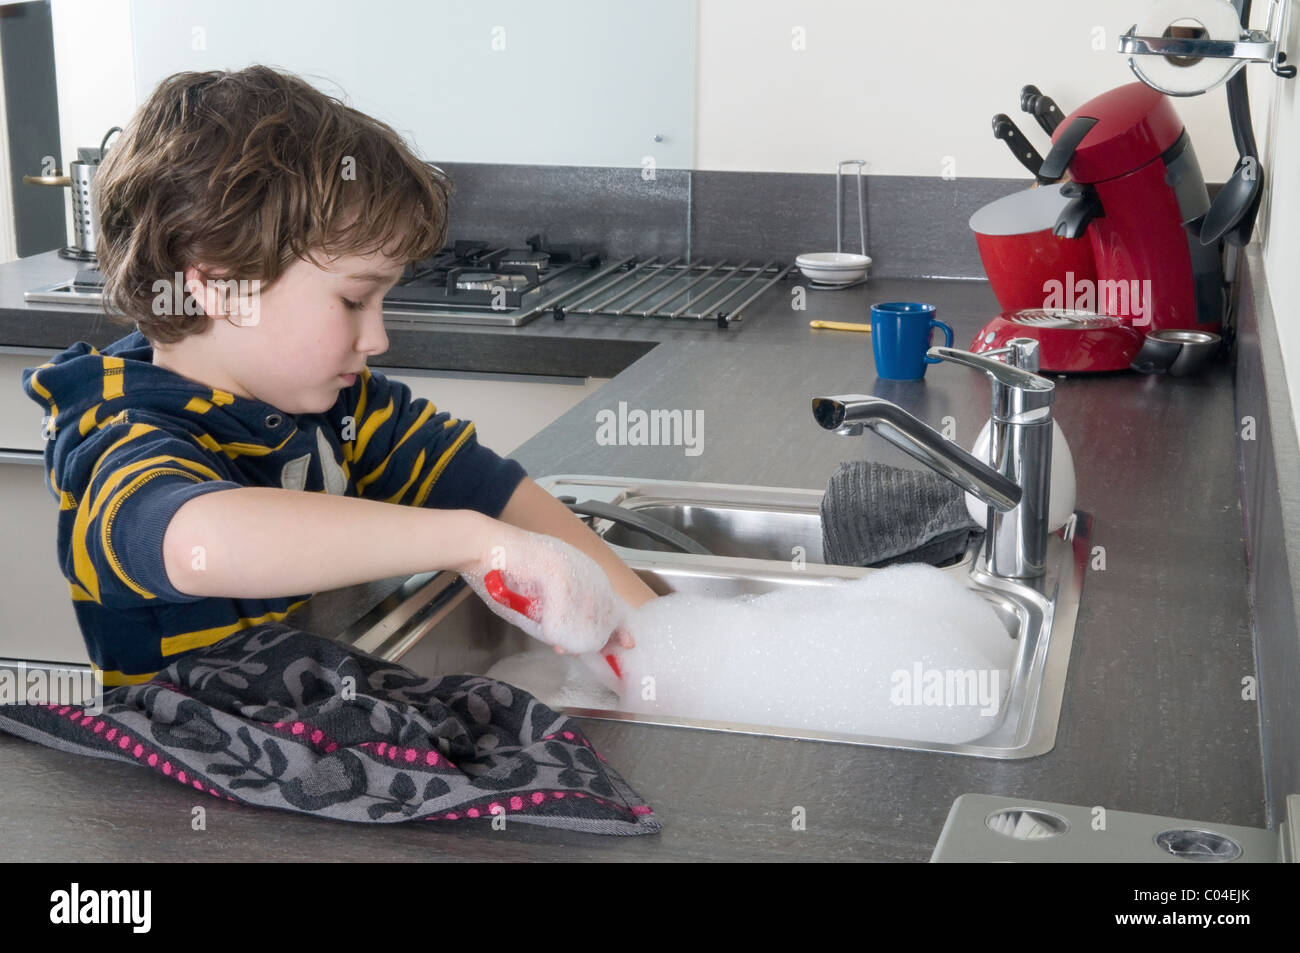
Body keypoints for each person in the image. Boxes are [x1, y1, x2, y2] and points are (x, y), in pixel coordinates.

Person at [21, 65, 655, 688]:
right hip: (186, 775)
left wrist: (644, 628)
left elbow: (487, 488)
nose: (377, 338)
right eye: (354, 301)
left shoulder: (343, 408)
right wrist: (471, 542)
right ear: (221, 288)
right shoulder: (116, 436)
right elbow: (199, 541)